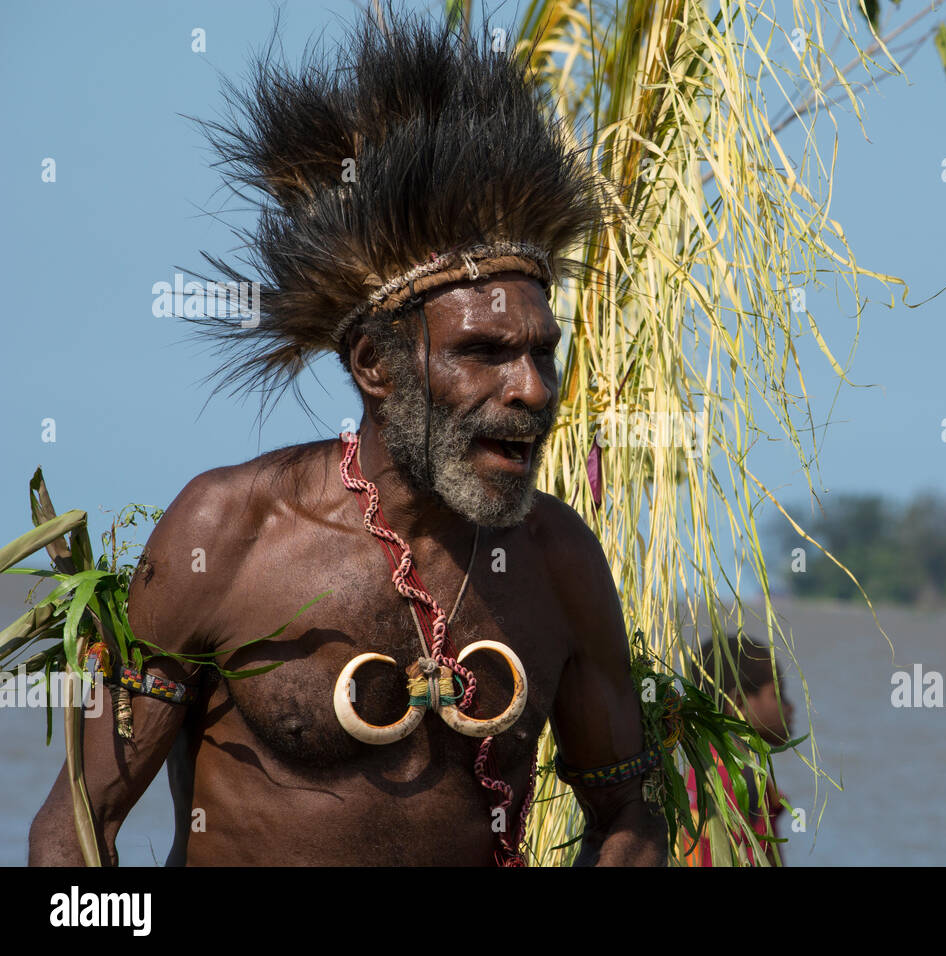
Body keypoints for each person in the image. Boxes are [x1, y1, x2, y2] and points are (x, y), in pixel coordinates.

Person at [28, 8, 665, 867]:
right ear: (375, 363)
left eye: (542, 354)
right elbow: (77, 823)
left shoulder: (557, 562)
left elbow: (627, 815)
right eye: (484, 353)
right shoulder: (229, 534)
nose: (532, 389)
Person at [683, 632, 795, 866]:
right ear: (740, 704)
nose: (790, 706)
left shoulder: (694, 769)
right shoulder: (743, 778)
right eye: (778, 694)